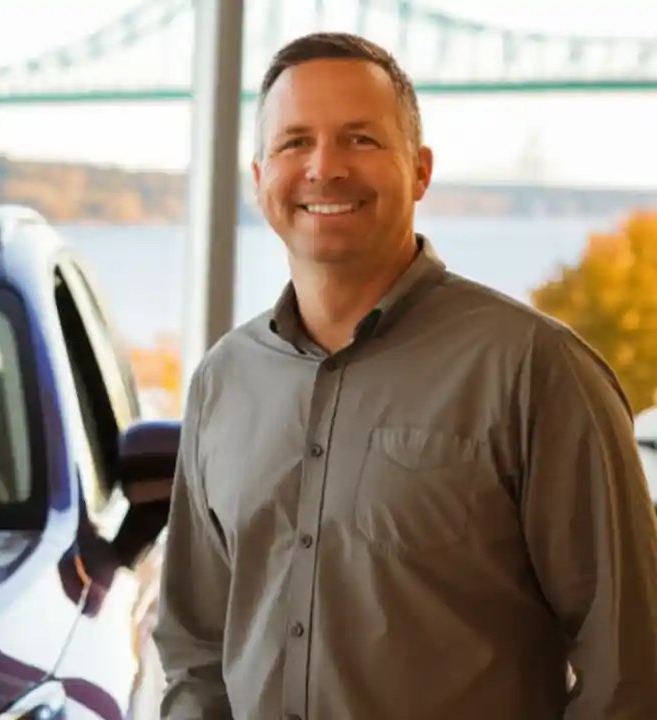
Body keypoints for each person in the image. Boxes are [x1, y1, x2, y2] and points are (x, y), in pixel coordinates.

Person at [152, 31, 657, 720]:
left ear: (419, 170)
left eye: (360, 139)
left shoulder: (536, 371)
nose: (324, 168)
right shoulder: (223, 381)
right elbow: (194, 646)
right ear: (258, 176)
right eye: (294, 142)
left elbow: (632, 666)